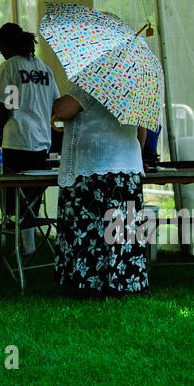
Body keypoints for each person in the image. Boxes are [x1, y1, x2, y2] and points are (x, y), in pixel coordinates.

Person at [51, 82, 149, 296]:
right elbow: (141, 131)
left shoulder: (93, 80)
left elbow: (63, 110)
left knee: (89, 227)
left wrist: (57, 100)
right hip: (127, 168)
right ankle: (125, 281)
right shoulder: (135, 84)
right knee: (123, 231)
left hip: (94, 167)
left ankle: (89, 283)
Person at [0, 22, 59, 255]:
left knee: (14, 199)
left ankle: (19, 247)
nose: (2, 53)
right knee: (31, 198)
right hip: (41, 141)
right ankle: (28, 245)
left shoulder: (10, 67)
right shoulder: (44, 68)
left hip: (16, 139)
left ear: (7, 44)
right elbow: (54, 105)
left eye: (1, 48)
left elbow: (8, 105)